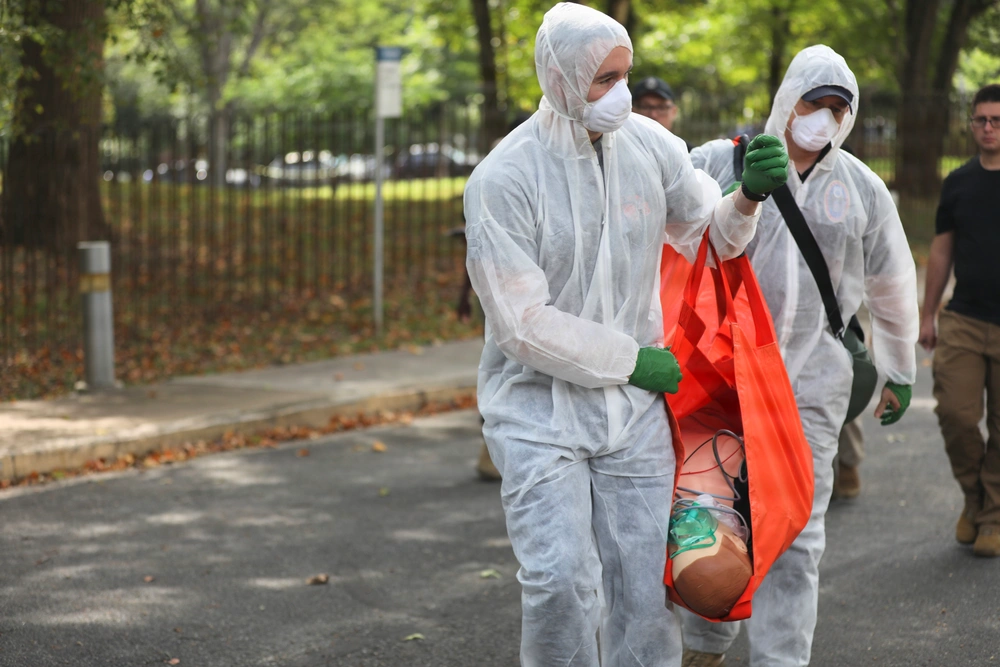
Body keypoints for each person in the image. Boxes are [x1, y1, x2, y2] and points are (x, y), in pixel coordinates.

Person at [463, 4, 788, 665]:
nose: (619, 94)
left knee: (643, 583)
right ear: (557, 78)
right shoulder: (503, 179)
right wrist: (631, 360)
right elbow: (521, 324)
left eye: (624, 76)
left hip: (633, 415)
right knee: (559, 579)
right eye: (601, 79)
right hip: (537, 410)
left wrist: (747, 197)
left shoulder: (650, 146)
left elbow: (713, 238)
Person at [682, 45, 918, 667]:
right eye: (816, 102)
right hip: (726, 378)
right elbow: (675, 242)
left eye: (840, 108)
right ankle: (705, 643)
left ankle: (781, 660)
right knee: (714, 517)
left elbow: (891, 279)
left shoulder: (861, 186)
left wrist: (900, 368)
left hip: (813, 383)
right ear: (789, 99)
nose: (826, 117)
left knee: (796, 532)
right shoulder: (719, 161)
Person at [919, 83, 1000, 558]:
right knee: (956, 413)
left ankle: (991, 516)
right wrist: (928, 313)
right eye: (980, 120)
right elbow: (942, 248)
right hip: (964, 317)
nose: (988, 128)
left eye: (996, 120)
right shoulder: (959, 182)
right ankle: (976, 498)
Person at [632, 75, 692, 150]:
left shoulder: (688, 154)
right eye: (645, 107)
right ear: (632, 111)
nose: (653, 115)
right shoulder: (617, 152)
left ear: (674, 112)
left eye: (661, 108)